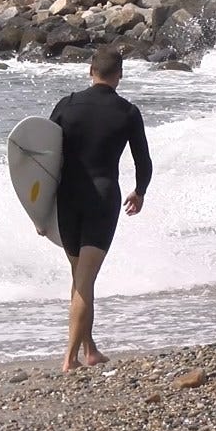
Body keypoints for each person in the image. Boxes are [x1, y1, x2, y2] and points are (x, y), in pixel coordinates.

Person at [48, 48, 153, 373]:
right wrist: (140, 192)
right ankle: (69, 359)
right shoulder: (127, 112)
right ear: (119, 75)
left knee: (81, 277)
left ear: (90, 71)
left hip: (66, 201)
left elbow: (42, 156)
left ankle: (89, 349)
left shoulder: (66, 105)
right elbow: (143, 162)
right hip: (102, 199)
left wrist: (39, 210)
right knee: (85, 281)